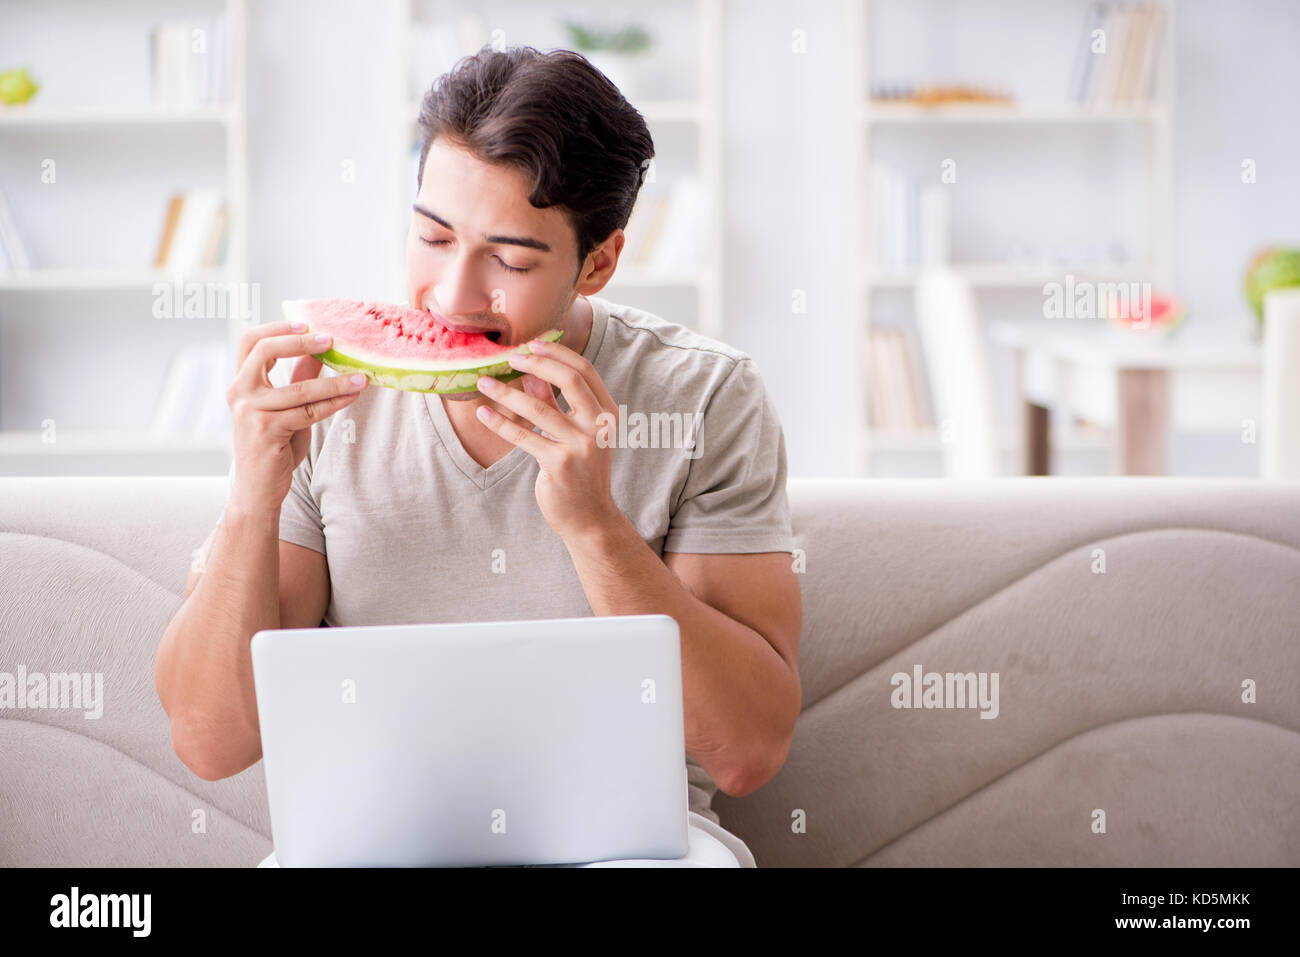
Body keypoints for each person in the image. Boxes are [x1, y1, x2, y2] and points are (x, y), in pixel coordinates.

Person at [156, 45, 802, 868]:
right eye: (431, 236)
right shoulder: (322, 394)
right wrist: (253, 496)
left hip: (635, 849)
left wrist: (594, 528)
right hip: (373, 842)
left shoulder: (708, 398)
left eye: (510, 258)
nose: (453, 296)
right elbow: (212, 742)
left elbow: (746, 751)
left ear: (598, 261)